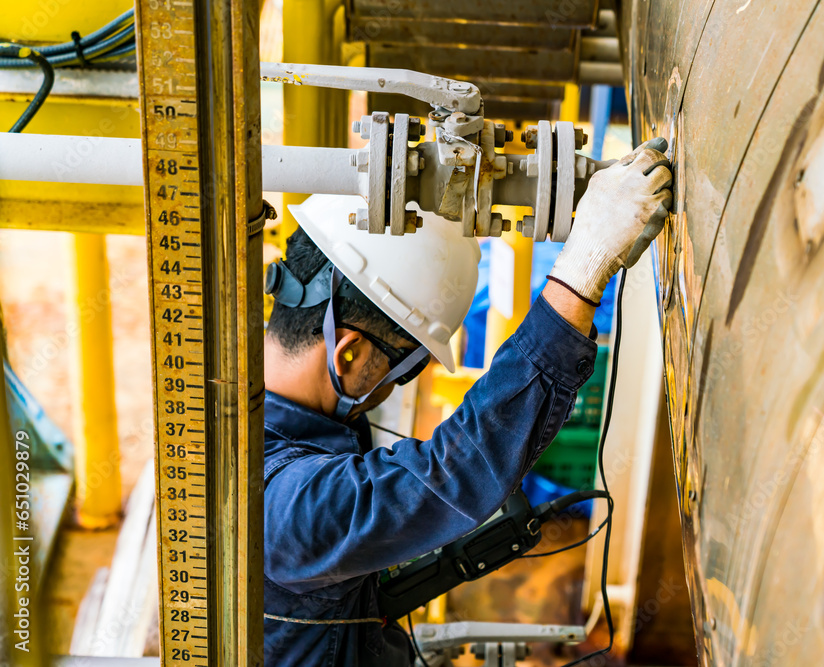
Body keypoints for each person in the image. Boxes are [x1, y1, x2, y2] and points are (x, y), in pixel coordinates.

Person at [262, 140, 672, 665]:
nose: (393, 388)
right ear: (349, 353)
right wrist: (583, 267)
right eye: (407, 366)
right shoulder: (284, 509)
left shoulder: (251, 435)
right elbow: (451, 474)